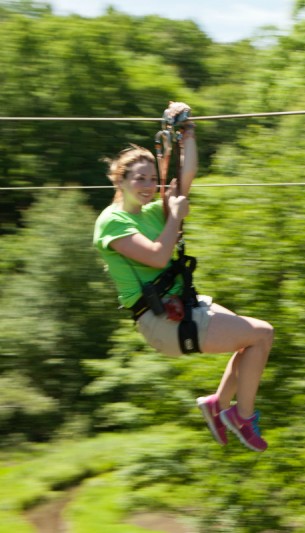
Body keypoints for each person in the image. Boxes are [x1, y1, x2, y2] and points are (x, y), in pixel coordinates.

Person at [93, 102, 273, 452]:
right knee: (260, 337)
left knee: (256, 338)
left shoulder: (151, 210)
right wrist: (174, 216)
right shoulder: (112, 222)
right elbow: (159, 258)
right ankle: (238, 415)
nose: (147, 186)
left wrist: (187, 132)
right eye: (138, 179)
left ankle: (220, 406)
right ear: (120, 180)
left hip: (180, 309)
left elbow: (185, 177)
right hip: (160, 321)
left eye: (151, 179)